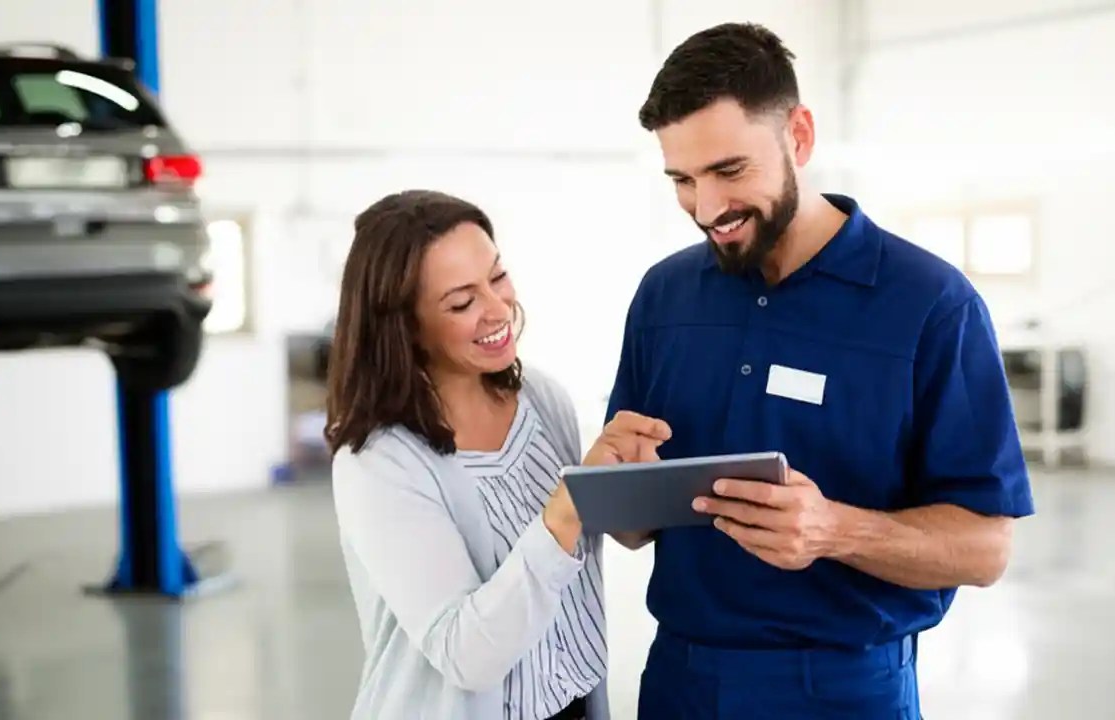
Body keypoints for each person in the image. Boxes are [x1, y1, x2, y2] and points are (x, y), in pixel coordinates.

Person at [605, 22, 1036, 718]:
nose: (706, 208)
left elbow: (985, 548)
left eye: (729, 170)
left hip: (842, 687)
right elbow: (632, 529)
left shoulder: (930, 305)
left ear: (798, 138)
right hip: (680, 679)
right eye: (682, 179)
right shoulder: (664, 295)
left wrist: (835, 530)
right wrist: (616, 486)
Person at [324, 189, 670, 720]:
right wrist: (568, 506)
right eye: (462, 302)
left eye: (498, 276)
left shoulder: (541, 398)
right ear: (405, 328)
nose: (497, 308)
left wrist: (629, 482)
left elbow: (592, 547)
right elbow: (468, 656)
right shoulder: (378, 461)